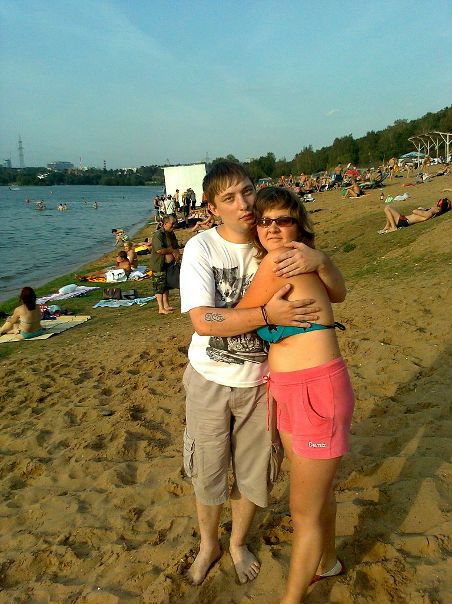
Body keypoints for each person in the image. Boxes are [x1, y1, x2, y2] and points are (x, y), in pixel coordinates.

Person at [179, 161, 346, 587]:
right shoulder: (201, 248)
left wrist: (322, 259)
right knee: (209, 471)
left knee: (253, 474)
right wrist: (269, 315)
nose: (245, 204)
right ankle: (208, 545)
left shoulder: (273, 248)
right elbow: (203, 321)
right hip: (211, 376)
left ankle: (237, 543)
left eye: (248, 192)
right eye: (230, 198)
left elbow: (336, 293)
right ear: (212, 207)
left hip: (261, 382)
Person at [236, 186, 354, 604]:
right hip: (292, 387)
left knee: (303, 514)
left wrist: (322, 260)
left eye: (282, 220)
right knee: (317, 496)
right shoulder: (297, 258)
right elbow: (338, 293)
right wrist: (322, 261)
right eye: (263, 221)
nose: (271, 228)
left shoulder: (279, 261)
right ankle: (329, 562)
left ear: (297, 225)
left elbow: (239, 316)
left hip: (313, 390)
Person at [149, 215, 181, 314]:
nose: (174, 225)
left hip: (168, 264)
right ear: (165, 223)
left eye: (175, 223)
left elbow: (175, 245)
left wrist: (177, 253)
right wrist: (172, 251)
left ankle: (166, 305)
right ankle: (161, 308)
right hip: (159, 264)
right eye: (172, 224)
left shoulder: (171, 233)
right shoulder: (158, 235)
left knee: (165, 285)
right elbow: (159, 250)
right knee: (159, 287)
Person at [378, 198, 450, 233]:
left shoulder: (429, 213)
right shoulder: (429, 212)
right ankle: (387, 226)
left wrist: (419, 210)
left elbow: (414, 211)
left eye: (436, 207)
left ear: (437, 210)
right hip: (404, 219)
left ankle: (393, 228)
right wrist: (423, 209)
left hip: (404, 221)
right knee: (388, 212)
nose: (434, 206)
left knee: (387, 208)